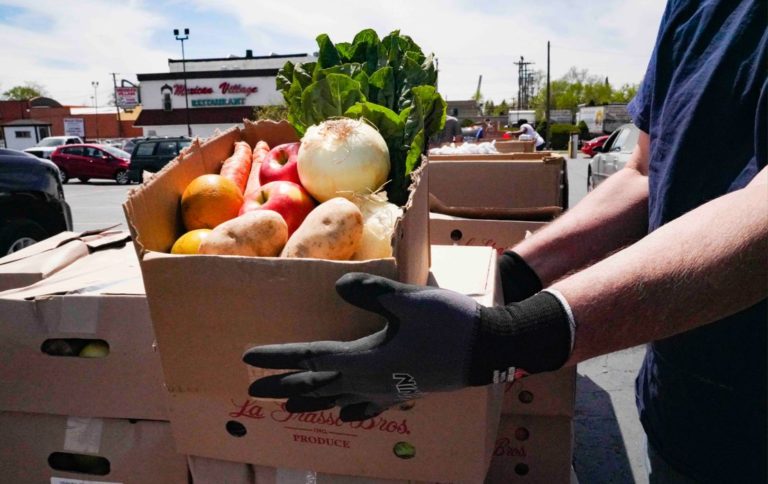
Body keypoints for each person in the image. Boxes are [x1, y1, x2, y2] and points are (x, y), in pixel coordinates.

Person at [244, 1, 766, 481]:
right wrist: (509, 278)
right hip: (679, 412)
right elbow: (647, 174)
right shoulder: (694, 6)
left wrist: (510, 337)